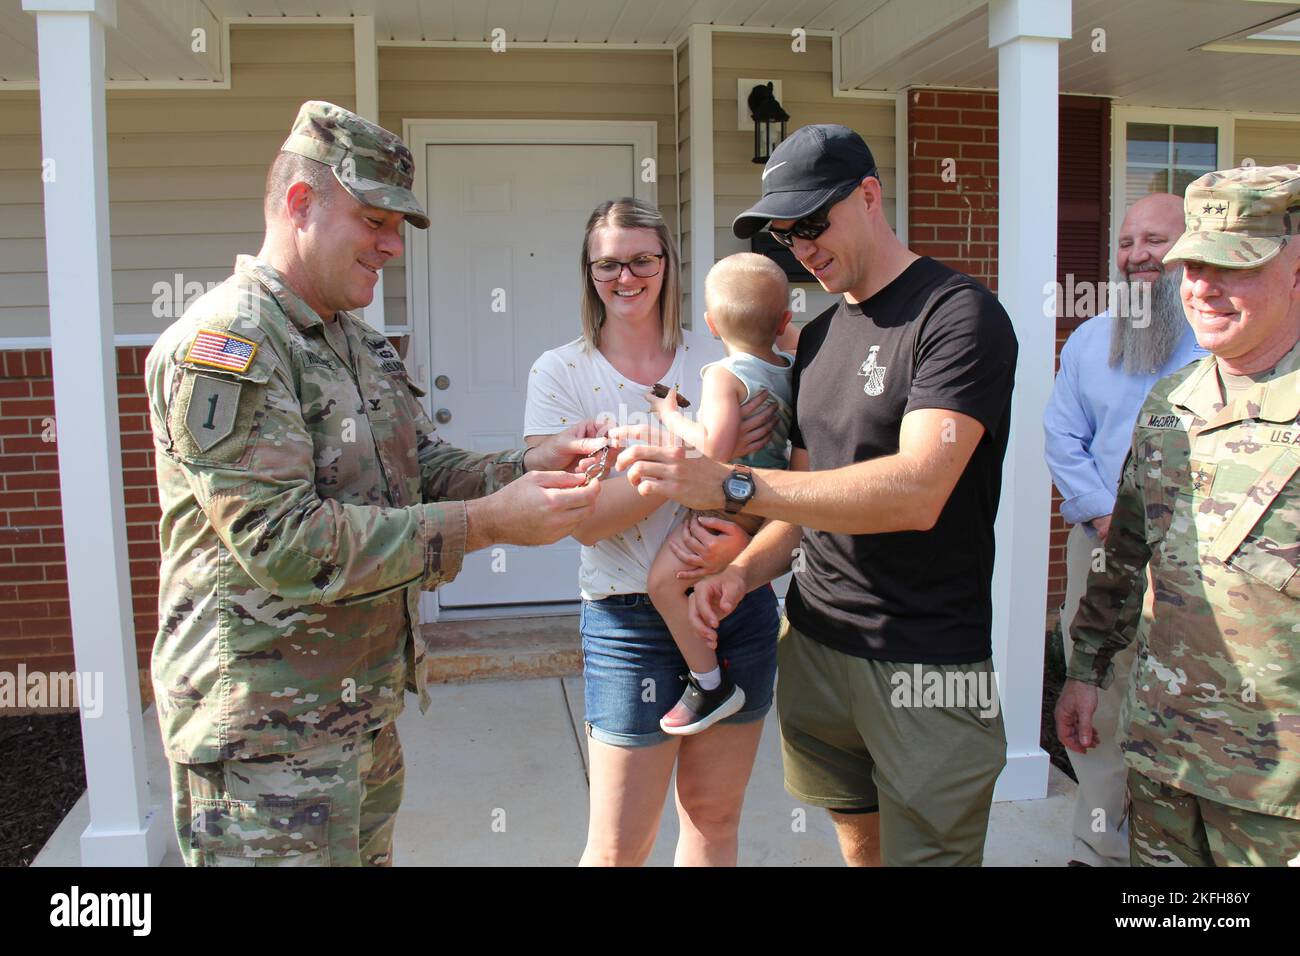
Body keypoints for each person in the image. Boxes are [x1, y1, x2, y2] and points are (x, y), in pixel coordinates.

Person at [144, 101, 605, 867]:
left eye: (400, 228)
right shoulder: (227, 343)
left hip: (356, 718)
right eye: (375, 220)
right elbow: (284, 543)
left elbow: (422, 469)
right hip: (261, 744)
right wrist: (487, 524)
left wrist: (530, 465)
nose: (392, 246)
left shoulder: (358, 343)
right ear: (300, 203)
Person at [613, 125, 1018, 866]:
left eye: (812, 224)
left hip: (925, 663)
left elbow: (919, 490)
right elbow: (801, 506)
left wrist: (733, 482)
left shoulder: (957, 315)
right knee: (857, 845)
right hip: (817, 643)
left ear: (869, 196)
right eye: (785, 233)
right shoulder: (822, 335)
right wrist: (741, 574)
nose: (800, 246)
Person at [1055, 164, 1300, 867]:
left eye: (1234, 267)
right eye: (1190, 264)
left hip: (1277, 795)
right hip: (1165, 765)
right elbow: (1125, 561)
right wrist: (1085, 673)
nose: (1199, 286)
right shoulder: (1173, 403)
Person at [524, 198, 781, 866]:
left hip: (733, 607)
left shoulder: (718, 355)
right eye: (608, 264)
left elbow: (765, 475)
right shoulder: (560, 374)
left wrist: (730, 522)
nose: (626, 276)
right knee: (617, 847)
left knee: (713, 820)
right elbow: (580, 521)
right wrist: (689, 469)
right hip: (629, 624)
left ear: (668, 264)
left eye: (642, 259)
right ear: (589, 272)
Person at [1042, 192, 1208, 866]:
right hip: (1104, 555)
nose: (1139, 256)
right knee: (1098, 707)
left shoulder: (1225, 338)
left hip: (1202, 569)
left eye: (1156, 241)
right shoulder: (1088, 340)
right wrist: (1108, 515)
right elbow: (1061, 436)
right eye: (1128, 242)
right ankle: (1099, 846)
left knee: (1197, 709)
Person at [642, 253, 795, 735]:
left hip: (726, 508)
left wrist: (669, 415)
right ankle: (705, 638)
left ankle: (710, 683)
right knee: (696, 585)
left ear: (710, 323)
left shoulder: (723, 375)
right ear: (785, 321)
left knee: (663, 584)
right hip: (767, 508)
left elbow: (716, 445)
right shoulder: (791, 369)